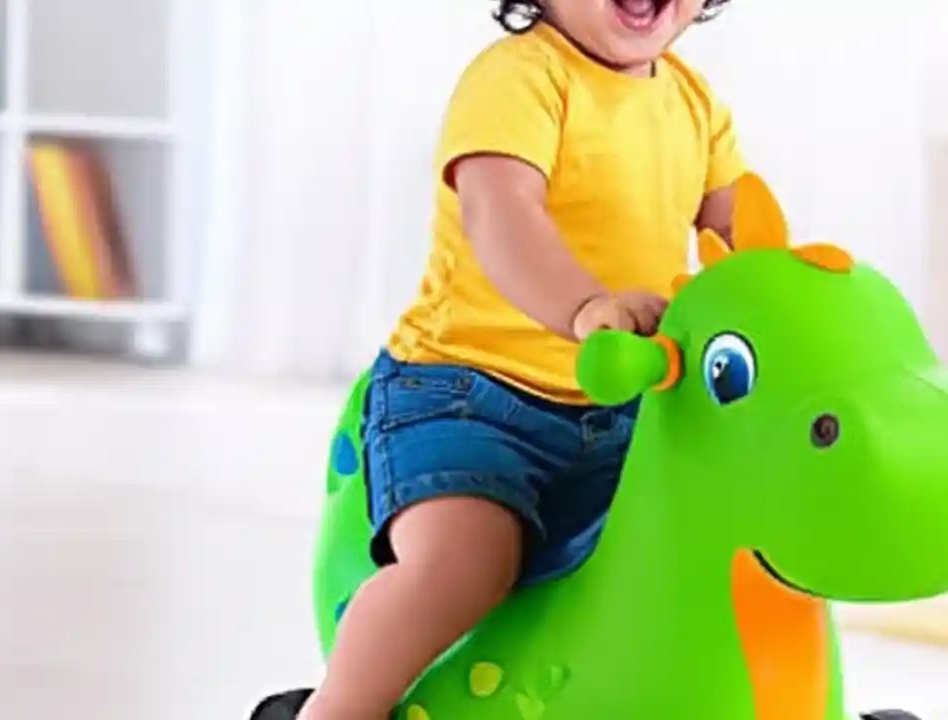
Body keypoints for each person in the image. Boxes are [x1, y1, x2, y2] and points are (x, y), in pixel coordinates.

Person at [294, 1, 744, 717]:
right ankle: (341, 707)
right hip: (469, 393)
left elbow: (737, 246)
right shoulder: (520, 79)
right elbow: (503, 214)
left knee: (715, 543)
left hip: (625, 406)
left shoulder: (696, 105)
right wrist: (583, 306)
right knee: (464, 564)